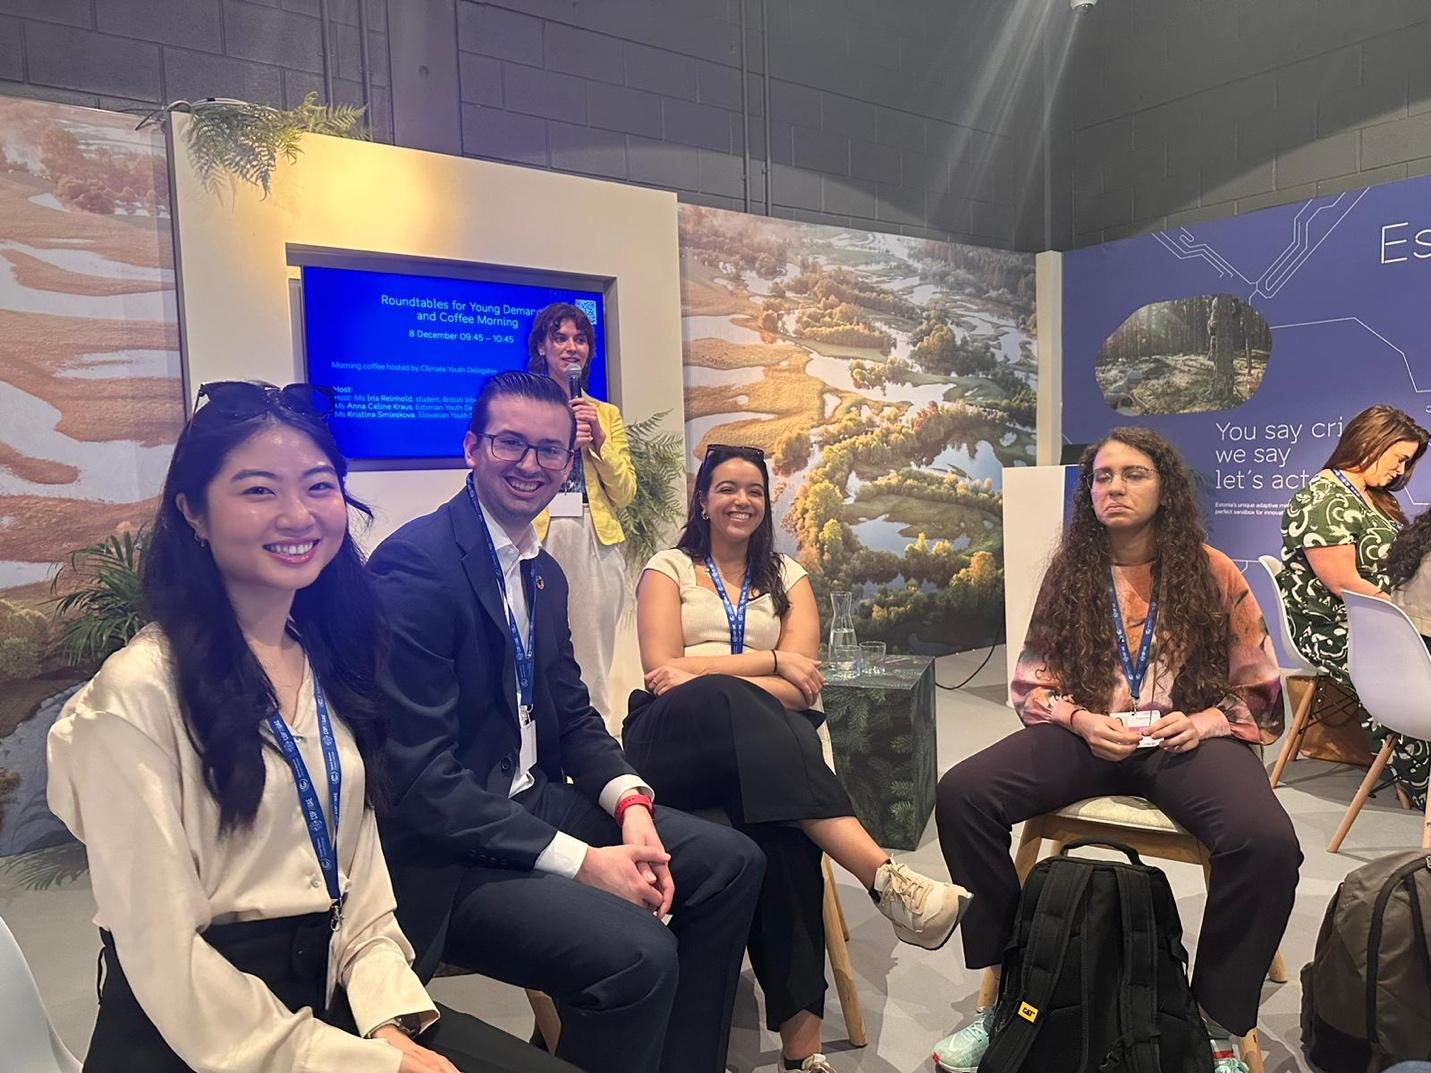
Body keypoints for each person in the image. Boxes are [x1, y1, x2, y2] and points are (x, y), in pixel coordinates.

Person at [47, 381, 573, 1073]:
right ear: (192, 511)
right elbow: (162, 954)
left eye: (318, 486)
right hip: (201, 1034)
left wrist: (386, 1023)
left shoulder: (329, 659)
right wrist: (363, 1061)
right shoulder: (136, 695)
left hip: (333, 995)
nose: (297, 515)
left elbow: (360, 879)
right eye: (258, 490)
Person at [367, 371, 765, 1073]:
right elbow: (423, 780)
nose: (531, 464)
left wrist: (632, 806)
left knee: (729, 863)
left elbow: (575, 716)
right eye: (510, 443)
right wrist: (584, 863)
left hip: (533, 798)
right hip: (450, 849)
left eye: (550, 450)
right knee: (639, 955)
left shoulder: (543, 573)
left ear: (568, 461)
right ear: (472, 448)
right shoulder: (416, 566)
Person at [933, 427, 1299, 1073]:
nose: (1114, 488)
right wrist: (1077, 718)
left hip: (1182, 742)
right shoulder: (1071, 571)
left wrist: (1204, 721)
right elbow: (1031, 681)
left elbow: (1263, 690)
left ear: (1165, 488)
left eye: (1133, 474)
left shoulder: (1212, 570)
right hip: (1090, 736)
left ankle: (1215, 1024)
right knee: (963, 794)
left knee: (1265, 842)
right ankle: (1016, 989)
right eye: (1102, 477)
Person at [623, 444, 971, 1073]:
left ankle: (802, 1056)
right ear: (702, 500)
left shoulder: (789, 577)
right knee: (731, 701)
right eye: (726, 488)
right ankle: (882, 876)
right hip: (671, 742)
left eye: (754, 490)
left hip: (760, 755)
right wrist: (771, 661)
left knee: (783, 843)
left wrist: (714, 671)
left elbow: (803, 686)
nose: (741, 500)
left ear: (766, 502)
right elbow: (662, 674)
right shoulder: (667, 569)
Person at [1278, 403, 1431, 808]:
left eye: (1408, 463)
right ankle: (1419, 784)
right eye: (1399, 458)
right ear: (1370, 442)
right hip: (1336, 627)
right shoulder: (1323, 499)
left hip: (1380, 620)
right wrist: (1406, 617)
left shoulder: (1371, 497)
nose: (1400, 470)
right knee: (1415, 672)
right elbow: (1344, 583)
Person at [528, 302, 636, 724]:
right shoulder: (527, 407)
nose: (571, 347)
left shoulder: (605, 414)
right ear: (542, 346)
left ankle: (597, 742)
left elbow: (624, 493)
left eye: (580, 339)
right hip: (538, 533)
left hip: (593, 535)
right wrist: (559, 445)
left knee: (593, 656)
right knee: (536, 646)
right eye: (560, 338)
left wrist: (600, 443)